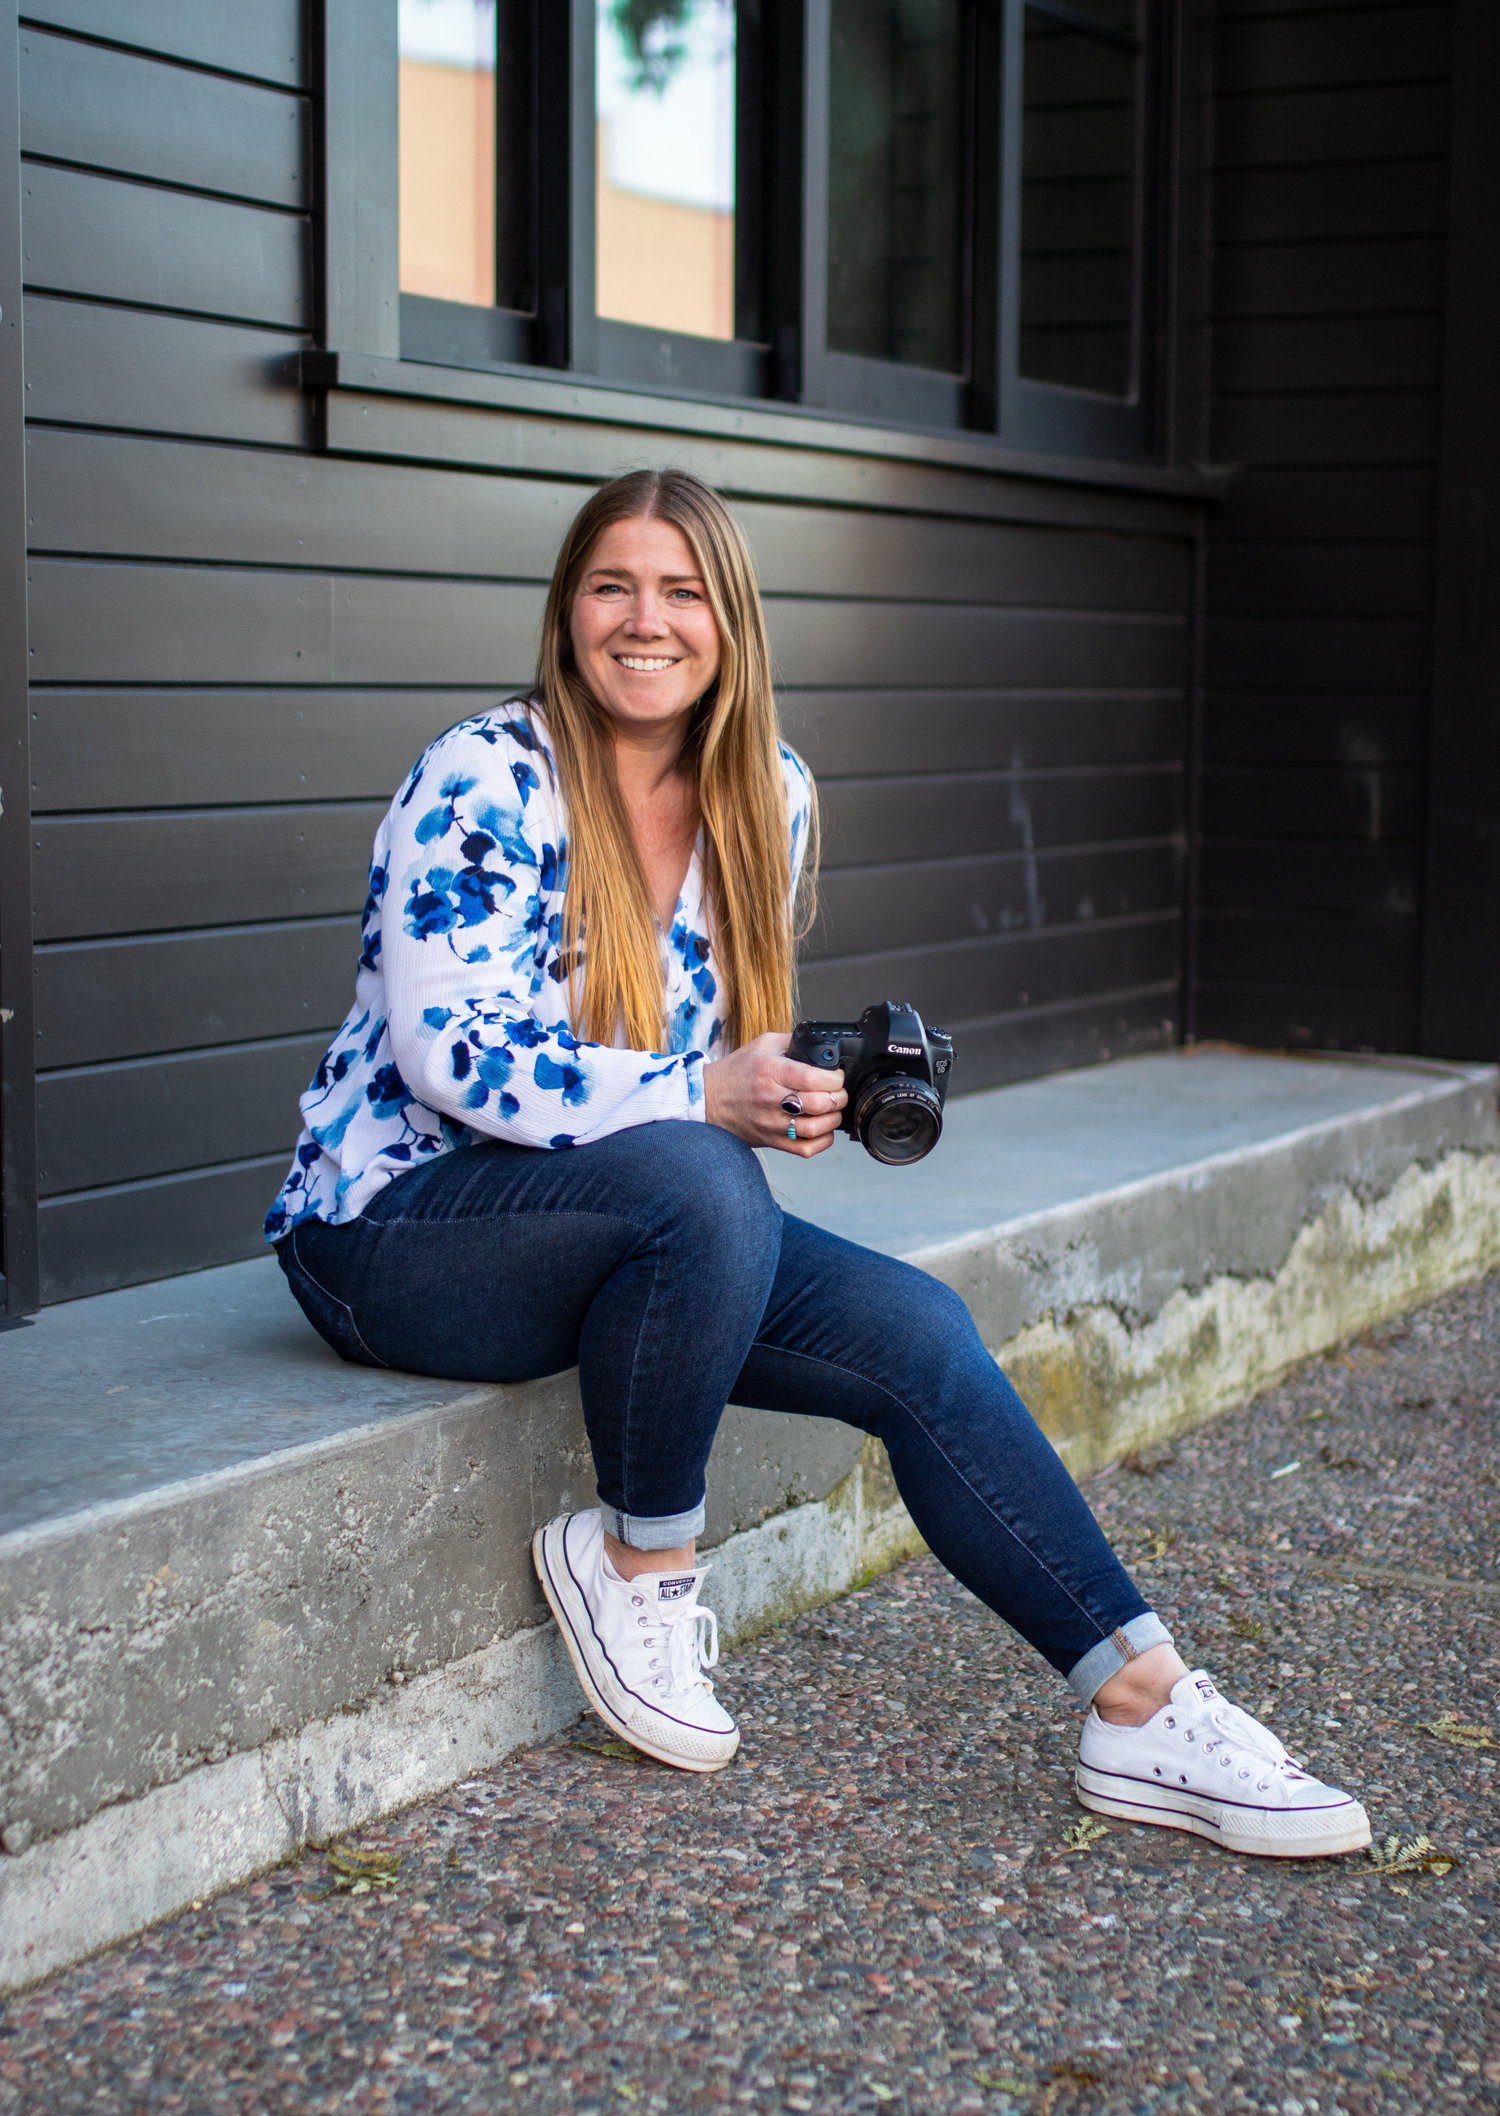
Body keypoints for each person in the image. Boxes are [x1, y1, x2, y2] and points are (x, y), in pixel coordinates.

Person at [266, 469, 1369, 1861]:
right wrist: (702, 1095)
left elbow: (692, 1061)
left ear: (731, 619)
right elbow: (450, 1054)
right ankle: (638, 1560)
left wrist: (797, 1084)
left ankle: (1142, 1702)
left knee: (916, 1329)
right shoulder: (486, 773)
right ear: (568, 608)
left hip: (627, 1214)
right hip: (393, 1230)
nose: (644, 619)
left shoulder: (767, 794)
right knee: (702, 1179)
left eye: (681, 591)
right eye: (612, 584)